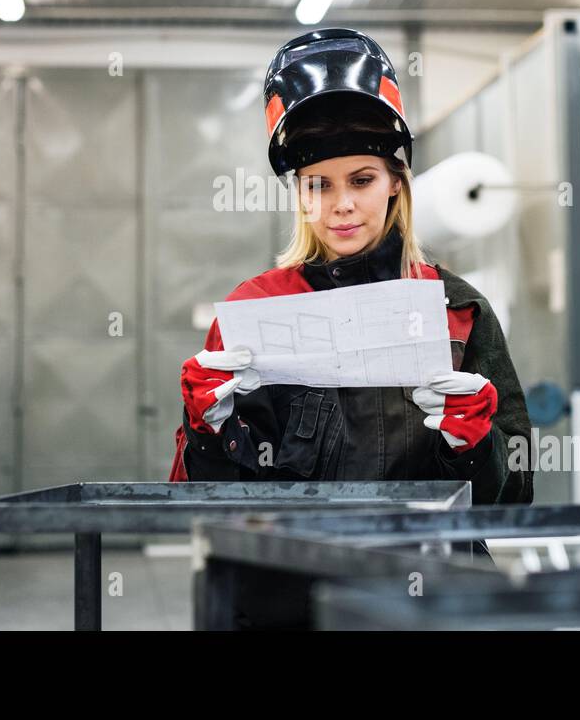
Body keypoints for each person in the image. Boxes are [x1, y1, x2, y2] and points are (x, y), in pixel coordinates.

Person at [168, 28, 533, 509]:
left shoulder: (458, 312)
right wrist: (208, 429)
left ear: (396, 184)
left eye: (362, 180)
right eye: (318, 185)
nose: (341, 205)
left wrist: (474, 446)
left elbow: (514, 495)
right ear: (299, 194)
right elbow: (204, 502)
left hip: (434, 571)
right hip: (294, 575)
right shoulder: (253, 313)